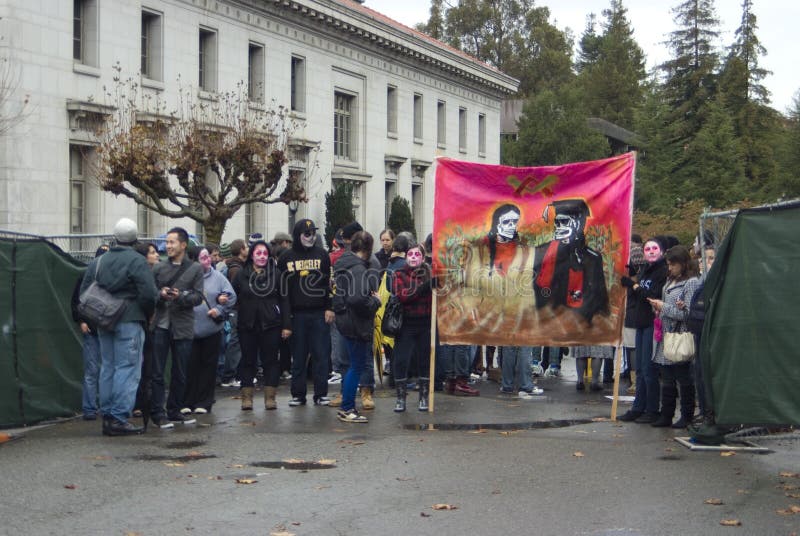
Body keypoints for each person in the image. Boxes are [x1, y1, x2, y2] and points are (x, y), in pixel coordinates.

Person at [79, 218, 158, 435]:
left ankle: (107, 415)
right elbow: (149, 294)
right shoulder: (137, 260)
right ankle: (119, 417)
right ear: (135, 239)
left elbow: (84, 291)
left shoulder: (99, 262)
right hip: (130, 319)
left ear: (114, 238)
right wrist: (148, 313)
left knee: (108, 367)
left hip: (104, 321)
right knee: (128, 369)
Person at [150, 227, 204, 428]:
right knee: (157, 371)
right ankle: (157, 412)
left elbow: (198, 297)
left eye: (172, 242)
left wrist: (180, 296)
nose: (168, 246)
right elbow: (149, 293)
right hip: (161, 325)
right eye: (167, 242)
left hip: (183, 326)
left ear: (183, 245)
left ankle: (174, 410)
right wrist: (161, 294)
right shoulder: (158, 268)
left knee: (180, 371)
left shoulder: (196, 269)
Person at [278, 218, 334, 406]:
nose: (311, 237)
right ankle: (298, 394)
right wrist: (286, 321)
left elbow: (328, 284)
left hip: (319, 313)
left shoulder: (322, 255)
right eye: (307, 234)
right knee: (299, 357)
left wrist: (329, 307)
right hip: (297, 314)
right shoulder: (286, 257)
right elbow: (282, 292)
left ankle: (321, 394)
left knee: (321, 355)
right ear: (298, 235)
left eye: (313, 234)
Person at [232, 240, 291, 411]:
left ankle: (270, 398)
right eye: (258, 253)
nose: (262, 257)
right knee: (248, 361)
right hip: (247, 325)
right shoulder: (242, 274)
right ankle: (247, 398)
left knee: (271, 361)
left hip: (271, 325)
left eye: (265, 253)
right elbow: (231, 295)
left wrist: (287, 325)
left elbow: (285, 300)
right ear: (251, 255)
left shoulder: (277, 274)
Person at [647, 245, 700, 428]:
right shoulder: (671, 280)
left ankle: (687, 416)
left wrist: (664, 307)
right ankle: (666, 414)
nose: (669, 268)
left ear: (683, 264)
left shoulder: (691, 282)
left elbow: (688, 313)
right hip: (666, 334)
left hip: (680, 334)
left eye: (673, 264)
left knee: (683, 377)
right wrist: (659, 309)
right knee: (667, 376)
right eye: (668, 264)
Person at [533, 199, 609, 324]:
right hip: (547, 321)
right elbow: (533, 288)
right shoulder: (542, 251)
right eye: (557, 223)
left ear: (577, 225)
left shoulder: (592, 257)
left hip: (578, 323)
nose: (559, 227)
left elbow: (599, 296)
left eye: (564, 222)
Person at [332, 231, 382, 423]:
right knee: (356, 366)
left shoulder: (342, 264)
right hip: (356, 323)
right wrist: (375, 302)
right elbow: (357, 299)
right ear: (368, 249)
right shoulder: (359, 269)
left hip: (344, 320)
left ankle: (346, 405)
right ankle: (347, 408)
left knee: (351, 365)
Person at [618, 237, 669, 423]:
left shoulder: (662, 271)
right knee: (639, 368)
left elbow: (652, 296)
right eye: (648, 249)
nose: (651, 251)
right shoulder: (645, 270)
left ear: (662, 251)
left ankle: (652, 408)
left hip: (652, 322)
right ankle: (638, 406)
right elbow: (637, 294)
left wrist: (635, 285)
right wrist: (632, 279)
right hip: (640, 321)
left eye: (655, 248)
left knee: (649, 369)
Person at [183, 247, 236, 414]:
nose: (206, 261)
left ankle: (204, 402)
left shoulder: (218, 277)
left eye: (207, 258)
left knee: (208, 367)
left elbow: (231, 296)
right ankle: (186, 401)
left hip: (210, 330)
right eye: (202, 258)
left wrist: (220, 308)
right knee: (189, 367)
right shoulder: (186, 276)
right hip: (189, 329)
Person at [392, 243, 433, 412]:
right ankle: (400, 398)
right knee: (401, 360)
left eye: (417, 254)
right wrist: (423, 288)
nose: (414, 257)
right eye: (410, 254)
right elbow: (403, 296)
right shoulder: (399, 274)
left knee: (424, 360)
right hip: (406, 324)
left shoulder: (430, 273)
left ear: (423, 258)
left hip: (425, 323)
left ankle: (424, 397)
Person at [70, 244, 109, 420]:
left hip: (107, 328)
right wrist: (81, 320)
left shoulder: (112, 278)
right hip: (93, 329)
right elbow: (76, 301)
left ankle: (105, 406)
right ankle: (90, 409)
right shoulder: (85, 276)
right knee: (92, 370)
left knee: (105, 370)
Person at [132, 241, 159, 418]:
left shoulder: (157, 274)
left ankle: (148, 403)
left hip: (153, 326)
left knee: (149, 367)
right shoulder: (139, 275)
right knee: (138, 367)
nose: (157, 255)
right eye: (152, 252)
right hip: (141, 324)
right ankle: (137, 404)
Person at [219, 238, 249, 387]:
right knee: (235, 342)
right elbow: (237, 291)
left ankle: (231, 374)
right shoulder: (237, 269)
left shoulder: (234, 266)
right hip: (237, 310)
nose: (248, 249)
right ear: (241, 250)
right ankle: (230, 375)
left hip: (235, 309)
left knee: (235, 341)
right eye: (246, 246)